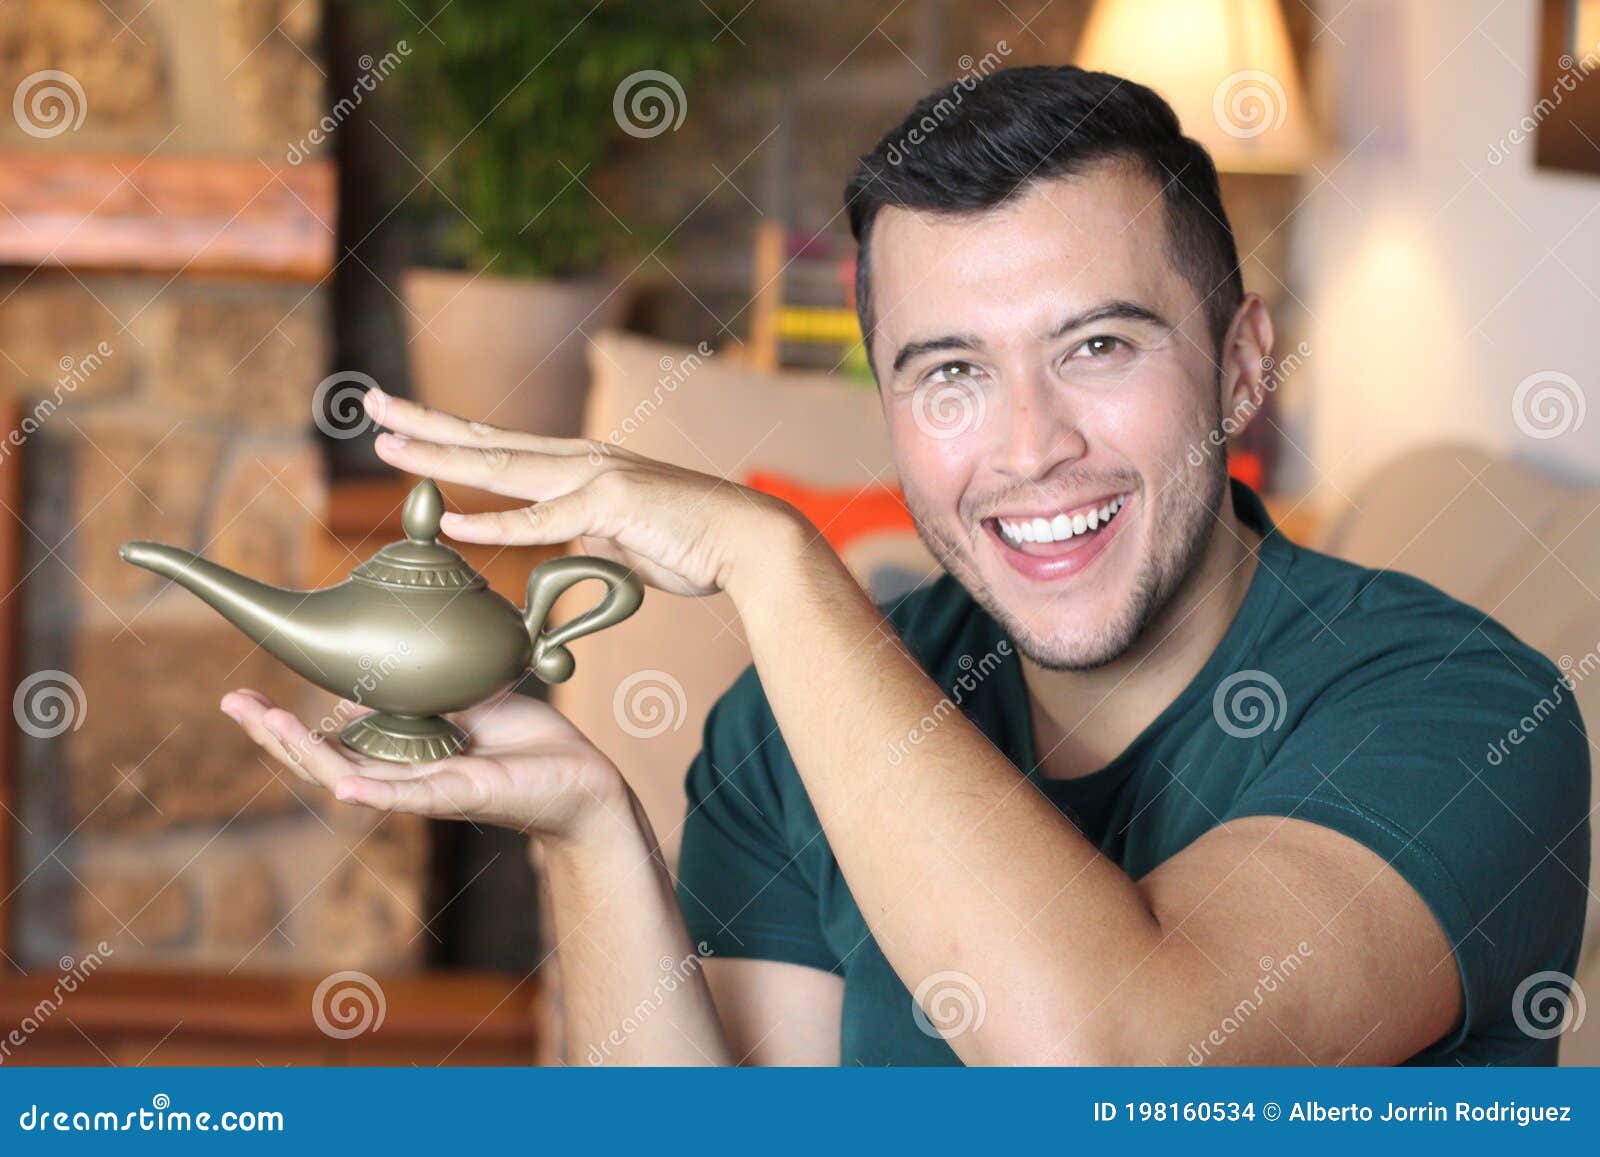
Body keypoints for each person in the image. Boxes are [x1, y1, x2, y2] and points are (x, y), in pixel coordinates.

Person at [224, 66, 1590, 1066]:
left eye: (1099, 346)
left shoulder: (1460, 710)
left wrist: (776, 558)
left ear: (1240, 367)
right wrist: (588, 829)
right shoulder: (787, 731)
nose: (1029, 447)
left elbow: (1115, 1070)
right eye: (949, 373)